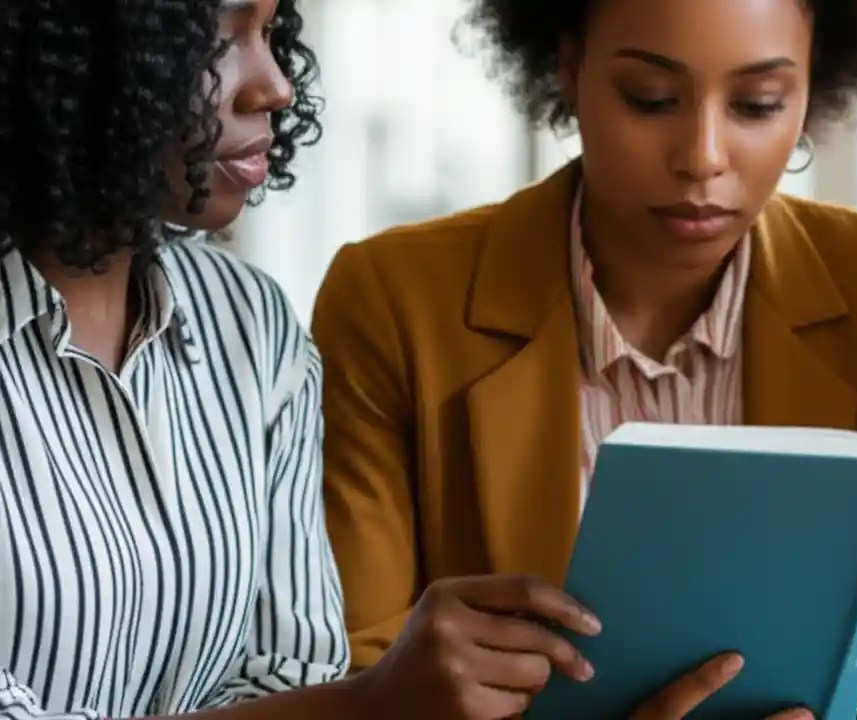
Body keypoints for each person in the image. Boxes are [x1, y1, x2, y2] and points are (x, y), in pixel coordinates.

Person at [313, 0, 857, 718]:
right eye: (650, 100)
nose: (703, 156)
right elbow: (351, 672)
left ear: (814, 85)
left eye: (758, 104)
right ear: (567, 65)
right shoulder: (394, 300)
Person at [0, 1, 538, 718]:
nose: (276, 85)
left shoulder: (254, 330)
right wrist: (367, 705)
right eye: (220, 37)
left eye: (271, 31)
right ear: (59, 52)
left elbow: (289, 671)